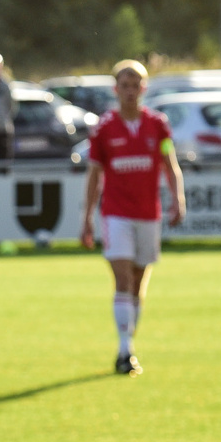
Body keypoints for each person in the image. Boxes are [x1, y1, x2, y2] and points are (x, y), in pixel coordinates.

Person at [79, 59, 185, 375]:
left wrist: (178, 199)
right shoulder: (104, 129)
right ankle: (125, 351)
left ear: (143, 88)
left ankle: (128, 345)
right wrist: (86, 217)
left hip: (148, 214)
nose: (129, 91)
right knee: (123, 279)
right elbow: (94, 175)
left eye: (135, 85)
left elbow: (170, 164)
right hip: (116, 214)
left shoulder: (158, 126)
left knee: (138, 284)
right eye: (124, 85)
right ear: (116, 89)